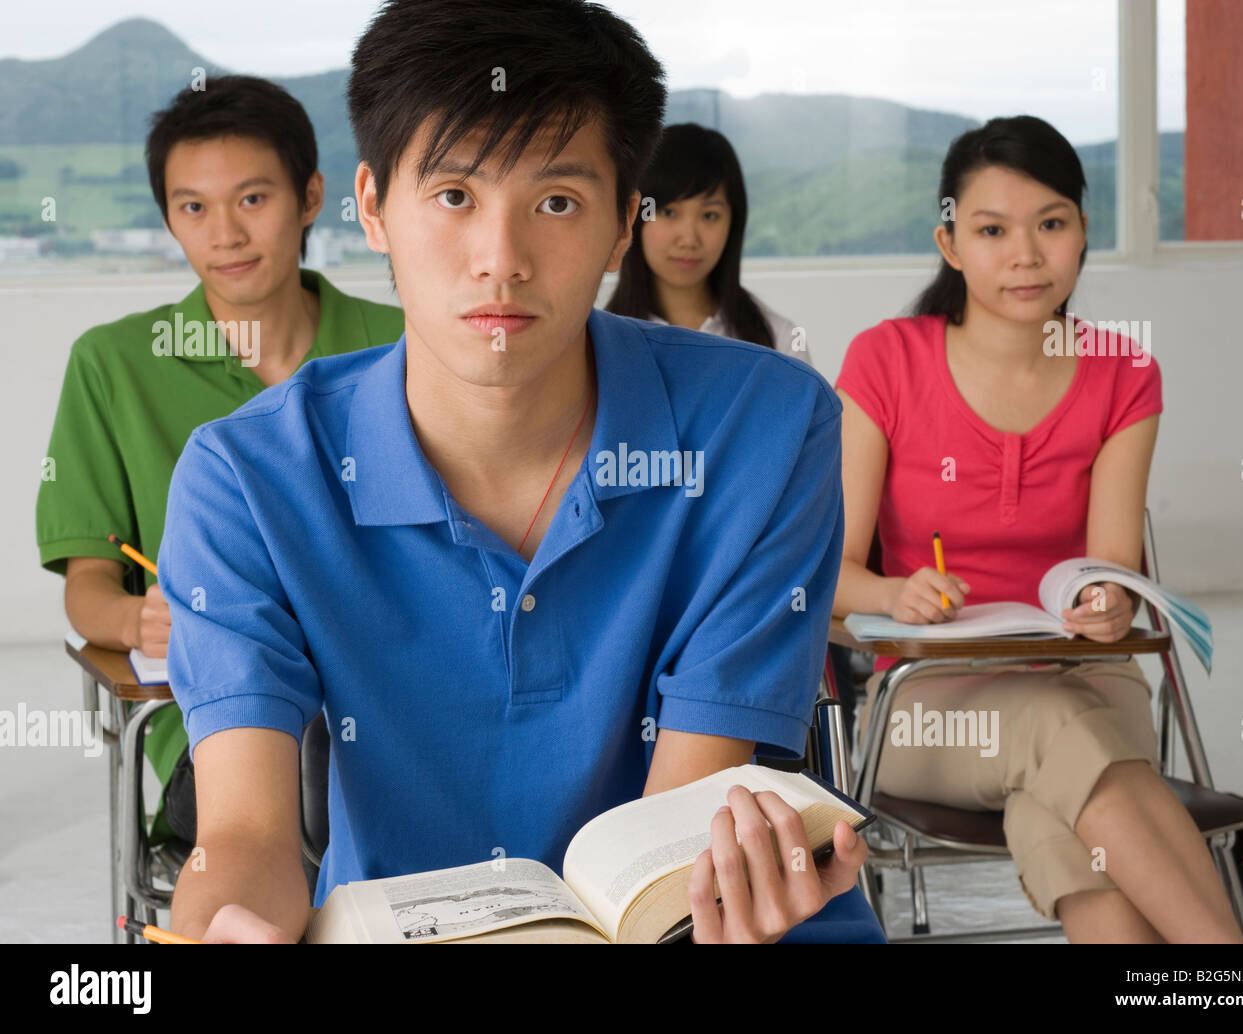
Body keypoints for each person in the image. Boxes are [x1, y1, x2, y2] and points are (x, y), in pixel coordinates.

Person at [159, 0, 879, 944]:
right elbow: (244, 833)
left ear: (624, 223)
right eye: (455, 196)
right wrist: (229, 927)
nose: (501, 262)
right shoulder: (246, 478)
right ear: (374, 207)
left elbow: (681, 841)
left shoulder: (767, 428)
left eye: (556, 202)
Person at [833, 114, 1243, 943]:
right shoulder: (886, 362)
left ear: (1083, 232)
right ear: (950, 243)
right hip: (928, 708)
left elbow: (1113, 569)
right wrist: (893, 592)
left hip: (1091, 686)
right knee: (1059, 740)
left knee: (1051, 813)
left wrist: (1105, 602)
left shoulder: (1125, 374)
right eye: (992, 230)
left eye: (1051, 224)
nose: (1025, 254)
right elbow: (829, 574)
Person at [35, 75, 405, 852]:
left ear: (310, 198)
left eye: (252, 199)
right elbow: (89, 589)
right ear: (168, 218)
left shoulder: (404, 340)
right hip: (216, 731)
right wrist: (140, 617)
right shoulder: (113, 364)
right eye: (192, 207)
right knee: (333, 802)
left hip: (404, 694)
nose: (225, 235)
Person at [606, 123, 807, 361]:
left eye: (710, 215)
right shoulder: (595, 342)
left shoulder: (779, 341)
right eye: (669, 212)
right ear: (636, 215)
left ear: (733, 223)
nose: (689, 239)